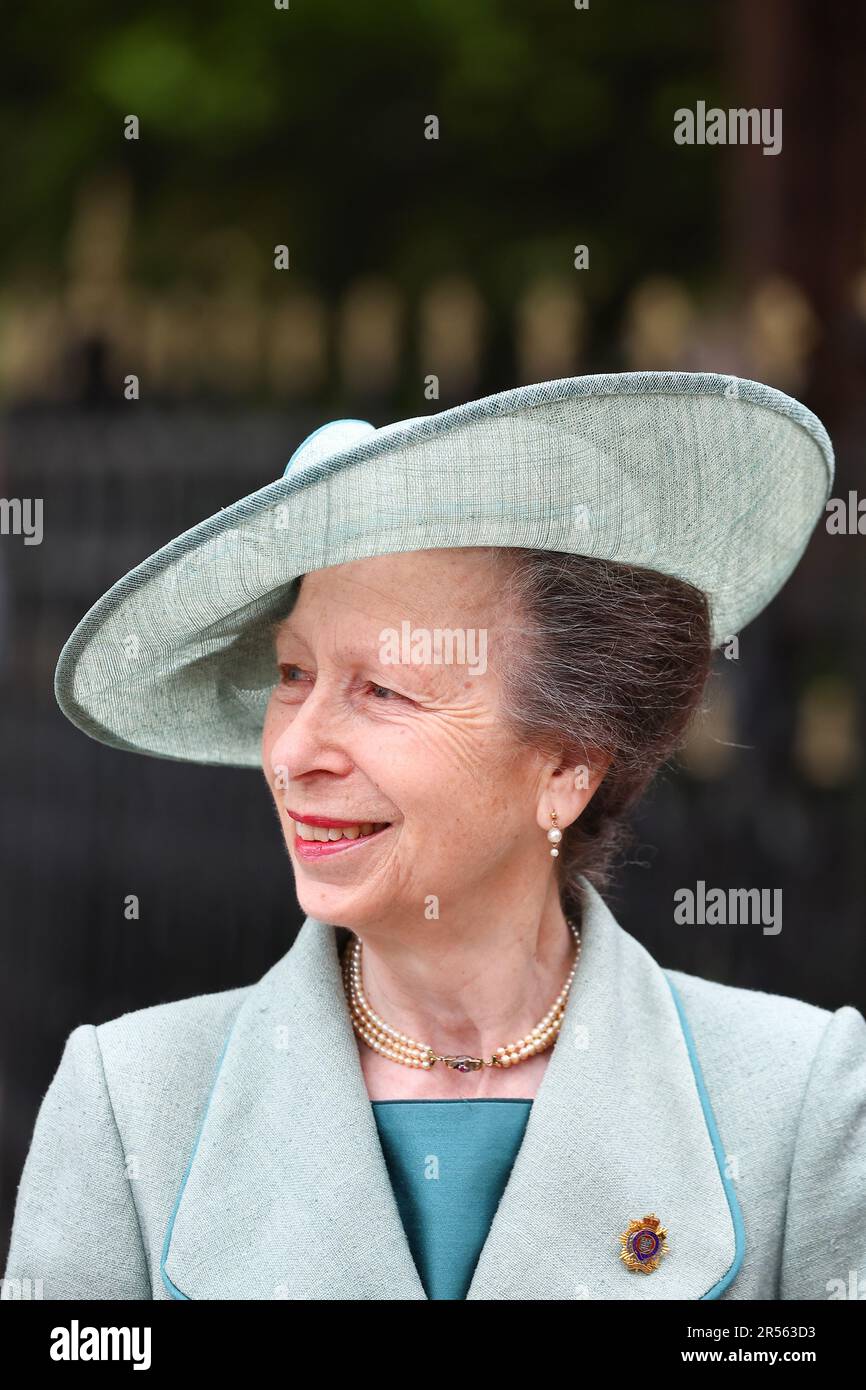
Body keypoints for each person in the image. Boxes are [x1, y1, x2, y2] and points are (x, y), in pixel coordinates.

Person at [4, 373, 864, 1301]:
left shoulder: (794, 1106)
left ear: (568, 765)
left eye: (383, 690)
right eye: (293, 673)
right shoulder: (129, 1108)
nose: (294, 750)